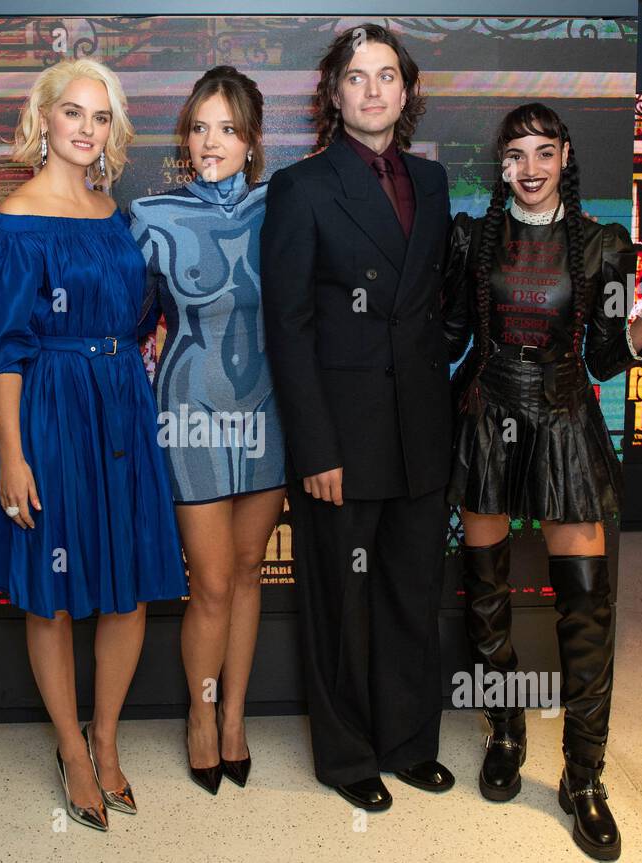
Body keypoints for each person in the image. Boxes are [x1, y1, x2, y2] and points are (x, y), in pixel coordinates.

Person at [0, 58, 188, 833]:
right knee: (50, 594)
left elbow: (138, 311)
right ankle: (71, 752)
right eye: (73, 113)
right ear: (44, 120)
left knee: (130, 585)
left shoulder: (113, 211)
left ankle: (106, 739)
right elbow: (7, 347)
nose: (87, 128)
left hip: (121, 408)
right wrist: (12, 455)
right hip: (49, 411)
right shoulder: (17, 216)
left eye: (101, 116)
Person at [442, 102, 642, 861]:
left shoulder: (603, 245)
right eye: (515, 154)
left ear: (565, 156)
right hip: (488, 417)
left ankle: (584, 778)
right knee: (485, 597)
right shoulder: (474, 237)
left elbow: (609, 356)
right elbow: (452, 338)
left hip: (563, 422)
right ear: (503, 163)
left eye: (542, 153)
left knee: (587, 606)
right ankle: (507, 729)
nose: (528, 168)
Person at [261, 23, 455, 812]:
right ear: (333, 95)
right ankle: (347, 759)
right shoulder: (301, 188)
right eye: (356, 77)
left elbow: (437, 302)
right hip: (340, 441)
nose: (372, 89)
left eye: (386, 76)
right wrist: (315, 447)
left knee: (412, 593)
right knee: (341, 606)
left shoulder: (432, 182)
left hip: (422, 435)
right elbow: (288, 327)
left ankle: (409, 744)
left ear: (406, 92)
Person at [129, 66, 285, 794]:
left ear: (252, 140)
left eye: (227, 128)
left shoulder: (282, 206)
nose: (211, 141)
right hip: (189, 415)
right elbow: (128, 325)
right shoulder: (151, 215)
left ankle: (235, 720)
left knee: (250, 573)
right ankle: (201, 713)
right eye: (199, 127)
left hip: (269, 416)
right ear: (184, 137)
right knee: (213, 585)